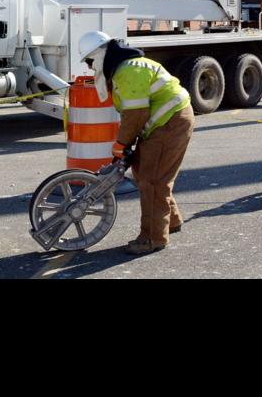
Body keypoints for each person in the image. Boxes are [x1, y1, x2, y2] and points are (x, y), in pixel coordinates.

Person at [76, 31, 193, 255]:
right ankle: (171, 220)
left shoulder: (128, 71)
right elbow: (134, 113)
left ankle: (152, 238)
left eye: (90, 61)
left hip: (170, 122)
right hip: (166, 121)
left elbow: (136, 113)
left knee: (153, 180)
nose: (90, 67)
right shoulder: (126, 68)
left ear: (100, 55)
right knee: (145, 172)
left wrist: (121, 144)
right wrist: (125, 144)